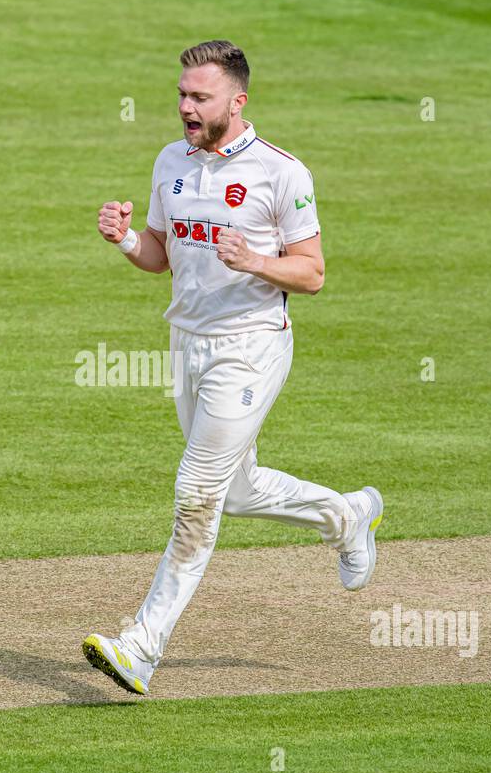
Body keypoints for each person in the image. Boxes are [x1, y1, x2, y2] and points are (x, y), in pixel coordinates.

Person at [82, 40, 383, 695]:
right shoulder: (171, 160)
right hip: (187, 343)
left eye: (200, 97)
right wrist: (126, 238)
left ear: (237, 101)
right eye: (182, 95)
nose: (186, 107)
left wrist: (257, 263)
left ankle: (141, 645)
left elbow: (313, 273)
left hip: (250, 347)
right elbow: (162, 255)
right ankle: (346, 516)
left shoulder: (281, 173)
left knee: (196, 489)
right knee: (236, 490)